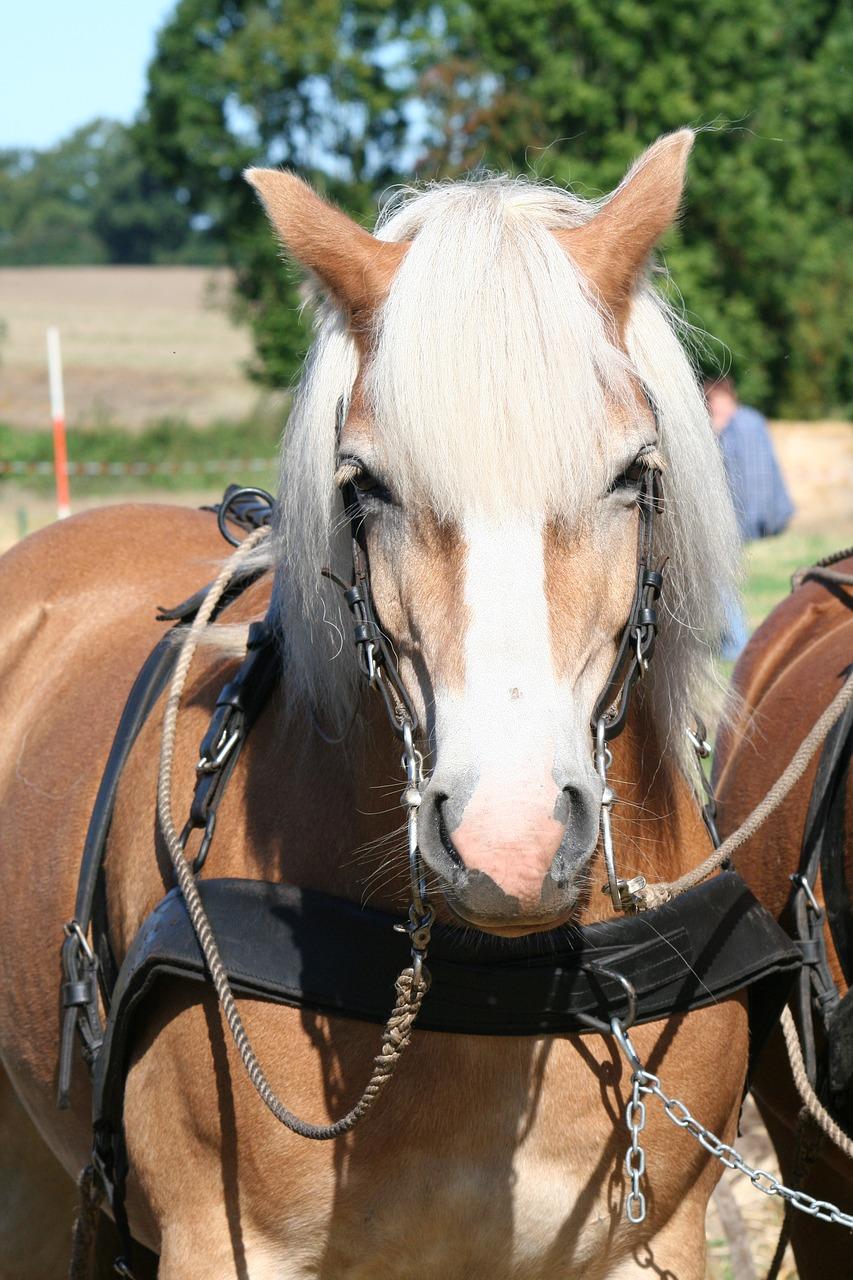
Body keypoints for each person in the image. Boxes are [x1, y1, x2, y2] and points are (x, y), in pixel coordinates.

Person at [704, 376, 795, 660]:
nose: (710, 409)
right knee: (722, 578)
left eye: (711, 402)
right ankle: (733, 642)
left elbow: (749, 480)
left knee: (720, 577)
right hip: (749, 515)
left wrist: (751, 522)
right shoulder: (749, 421)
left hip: (739, 517)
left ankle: (736, 645)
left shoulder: (738, 427)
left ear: (721, 398)